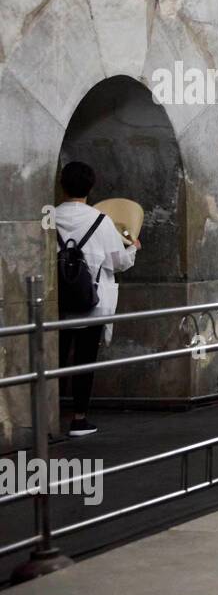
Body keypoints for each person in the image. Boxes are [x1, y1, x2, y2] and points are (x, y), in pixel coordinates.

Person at [53, 161, 140, 437]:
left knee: (55, 361)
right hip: (92, 302)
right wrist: (133, 247)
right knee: (85, 359)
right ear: (90, 188)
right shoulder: (100, 221)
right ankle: (79, 419)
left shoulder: (48, 218)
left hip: (57, 304)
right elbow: (119, 262)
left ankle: (48, 417)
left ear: (61, 185)